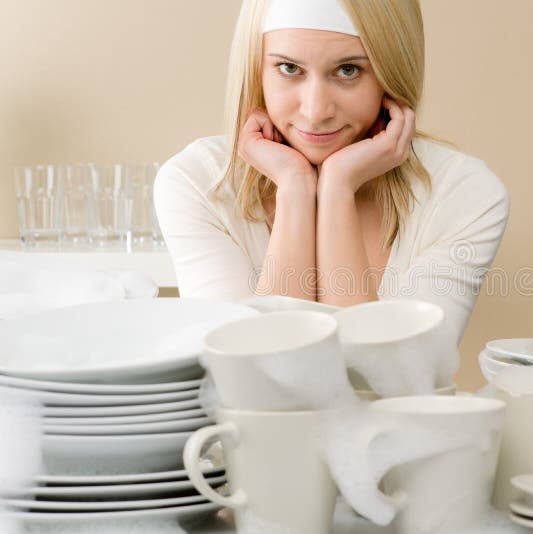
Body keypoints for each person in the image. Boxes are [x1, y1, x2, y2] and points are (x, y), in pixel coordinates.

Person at [154, 0, 510, 348]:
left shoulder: (465, 194)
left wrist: (337, 188)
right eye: (289, 68)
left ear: (391, 74)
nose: (315, 112)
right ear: (255, 70)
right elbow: (251, 375)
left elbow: (393, 381)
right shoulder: (198, 182)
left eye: (348, 70)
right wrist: (295, 187)